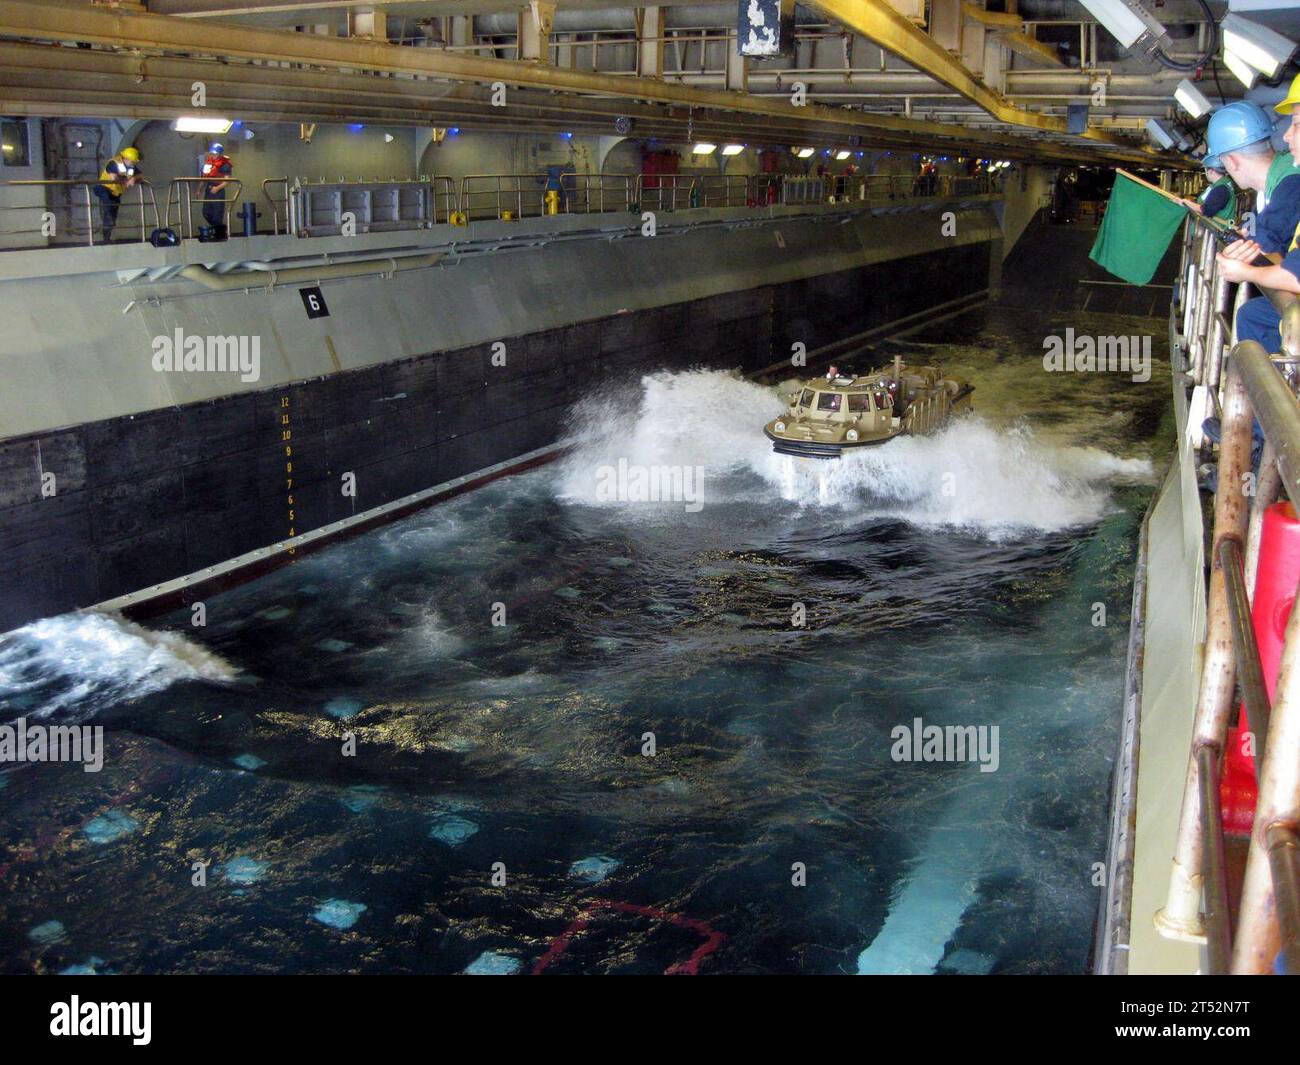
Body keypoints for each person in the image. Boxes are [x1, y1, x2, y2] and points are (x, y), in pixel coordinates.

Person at [1206, 95, 1300, 353]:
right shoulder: (1272, 184)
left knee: (1255, 316)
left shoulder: (1291, 181)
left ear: (1231, 161)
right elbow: (1260, 230)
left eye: (1296, 124)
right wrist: (1245, 242)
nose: (1287, 136)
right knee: (1253, 313)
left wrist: (1243, 265)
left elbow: (1268, 237)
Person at [93, 146, 140, 242]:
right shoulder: (114, 163)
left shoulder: (131, 166)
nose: (133, 163)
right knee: (109, 207)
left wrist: (135, 179)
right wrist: (127, 180)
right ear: (126, 159)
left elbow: (140, 176)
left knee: (112, 215)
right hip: (103, 188)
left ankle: (106, 237)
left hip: (115, 192)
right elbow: (113, 178)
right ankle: (107, 227)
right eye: (132, 161)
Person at [1185, 155, 1237, 222]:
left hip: (1214, 229)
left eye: (1205, 170)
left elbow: (1207, 210)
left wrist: (1185, 202)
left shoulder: (1221, 189)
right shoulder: (1223, 182)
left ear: (1211, 171)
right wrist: (1192, 203)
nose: (1206, 173)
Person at [199, 141, 233, 236]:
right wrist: (199, 189)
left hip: (218, 191)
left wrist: (217, 188)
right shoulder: (209, 163)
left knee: (217, 214)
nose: (214, 155)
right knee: (206, 212)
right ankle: (219, 229)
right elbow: (204, 177)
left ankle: (219, 234)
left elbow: (227, 181)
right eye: (212, 153)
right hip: (208, 190)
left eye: (216, 153)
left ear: (220, 154)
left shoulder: (225, 164)